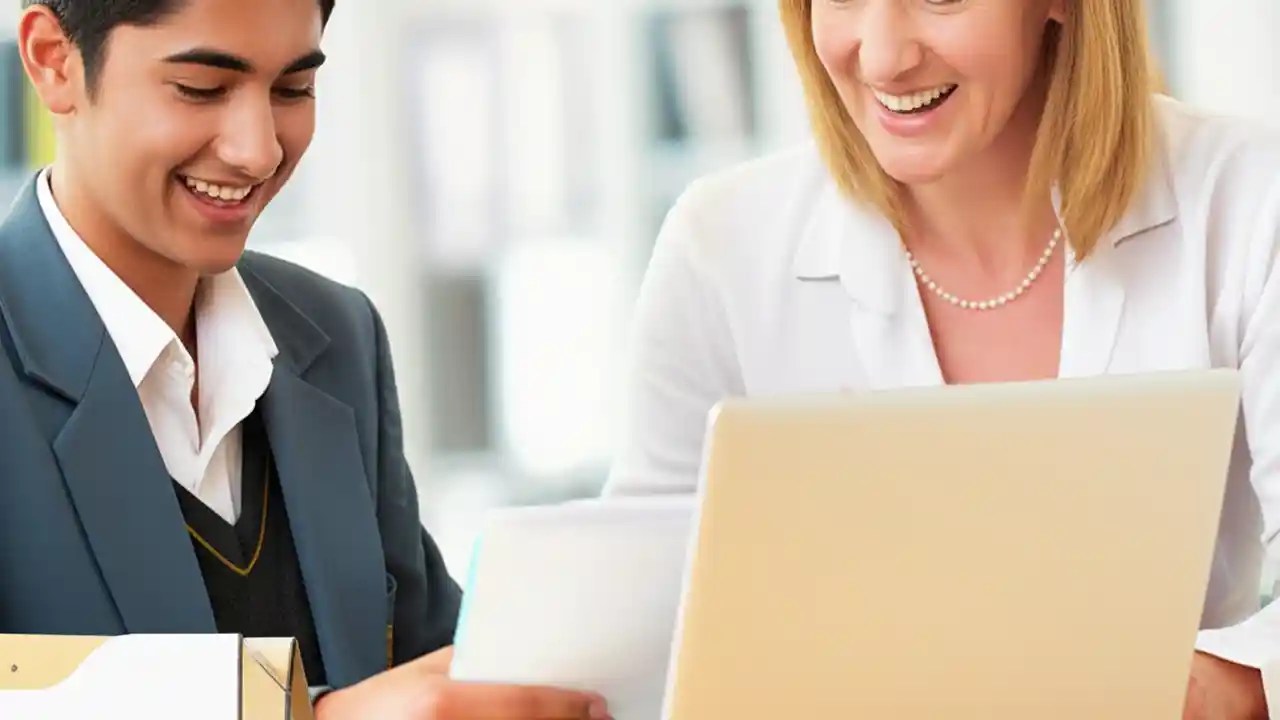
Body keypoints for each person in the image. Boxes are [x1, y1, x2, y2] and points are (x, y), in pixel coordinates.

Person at [605, 1, 1278, 718]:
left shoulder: (1248, 202)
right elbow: (639, 626)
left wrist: (1226, 684)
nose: (883, 57)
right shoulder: (720, 247)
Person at [0, 1, 610, 718]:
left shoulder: (334, 336)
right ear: (52, 59)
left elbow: (424, 662)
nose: (258, 150)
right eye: (201, 87)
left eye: (293, 89)